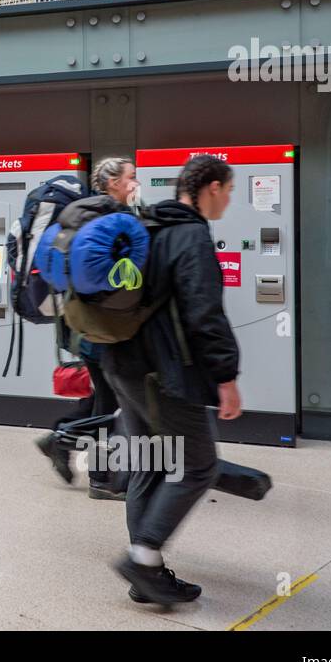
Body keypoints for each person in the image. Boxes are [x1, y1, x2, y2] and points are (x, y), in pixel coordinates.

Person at [102, 154, 242, 606]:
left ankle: (148, 575)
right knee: (199, 464)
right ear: (213, 187)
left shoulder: (145, 224)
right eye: (230, 190)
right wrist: (226, 376)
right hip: (163, 374)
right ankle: (142, 559)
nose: (229, 200)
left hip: (121, 364)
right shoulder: (191, 235)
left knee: (150, 460)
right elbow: (204, 313)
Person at [36, 157, 139, 500]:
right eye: (131, 178)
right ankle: (100, 477)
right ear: (112, 183)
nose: (136, 184)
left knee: (103, 397)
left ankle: (61, 440)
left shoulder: (85, 214)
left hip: (85, 325)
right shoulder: (114, 221)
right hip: (104, 329)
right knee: (109, 403)